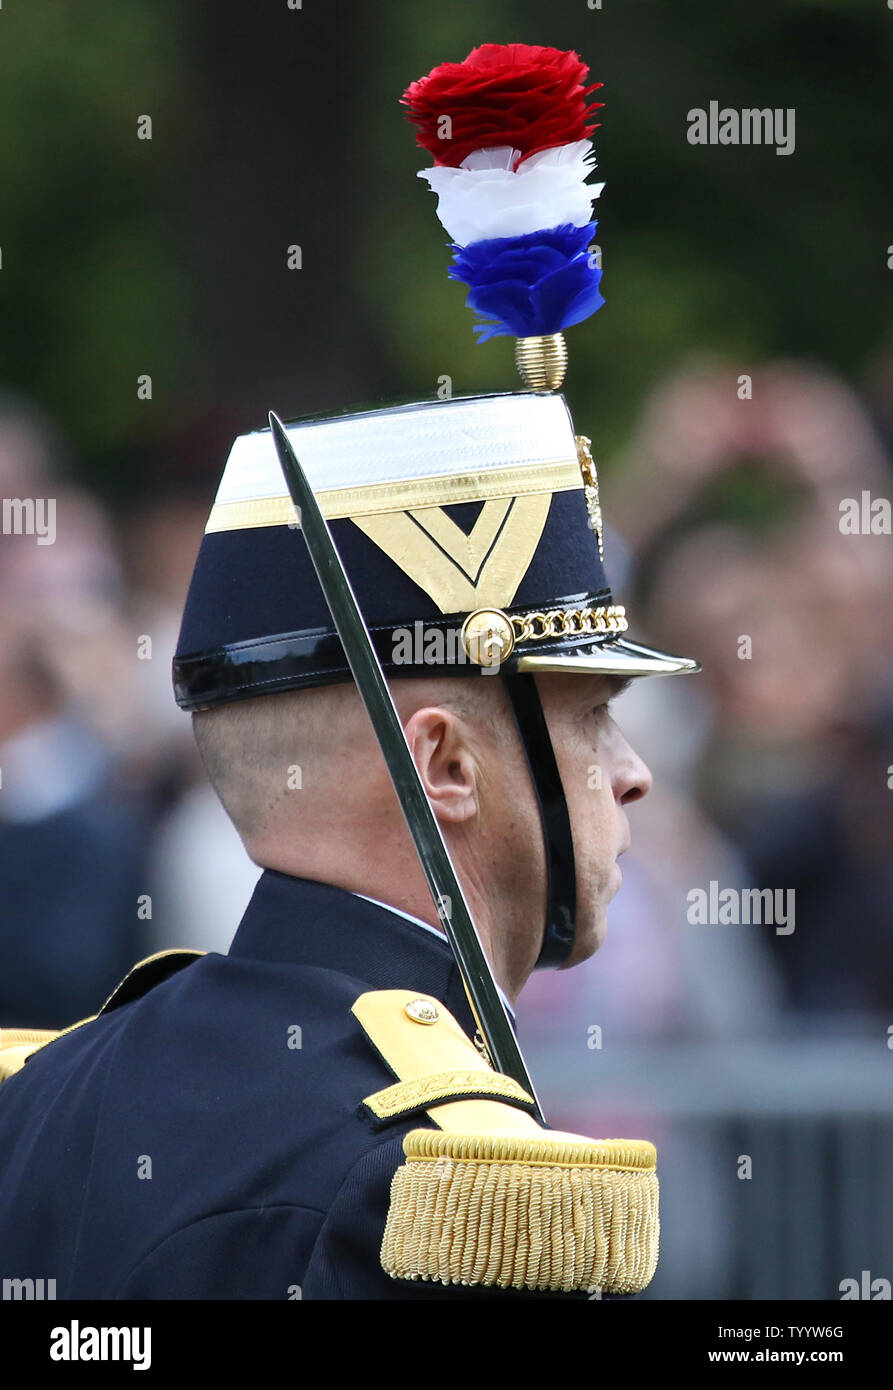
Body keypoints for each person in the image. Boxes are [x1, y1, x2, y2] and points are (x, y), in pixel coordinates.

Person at [0, 43, 699, 1300]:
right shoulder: (449, 1183)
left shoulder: (40, 1091)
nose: (635, 774)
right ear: (440, 760)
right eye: (591, 717)